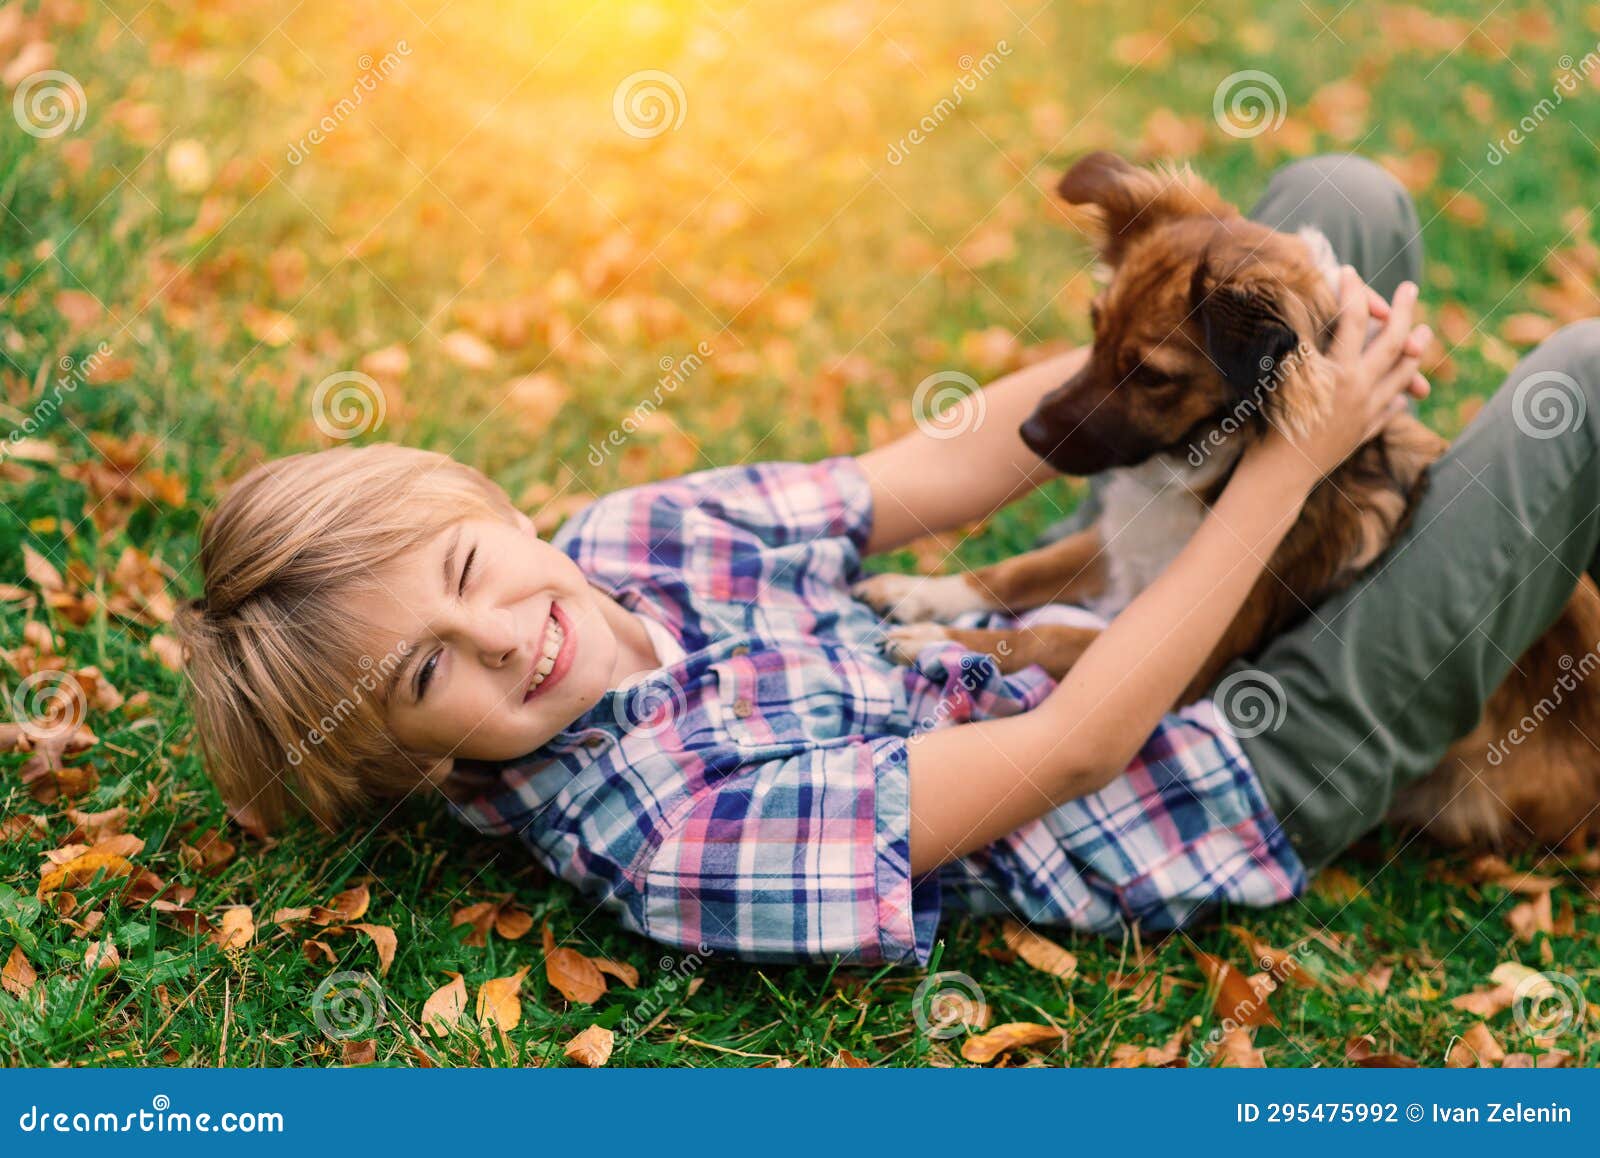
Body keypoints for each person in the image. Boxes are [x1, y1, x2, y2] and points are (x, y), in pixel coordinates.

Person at [173, 155, 1597, 965]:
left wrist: (1167, 346)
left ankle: (1358, 519)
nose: (501, 633)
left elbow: (927, 473)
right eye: (429, 674)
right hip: (1232, 760)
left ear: (490, 506)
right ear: (422, 763)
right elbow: (1078, 749)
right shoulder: (671, 834)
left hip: (1153, 609)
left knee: (1339, 202)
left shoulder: (626, 540)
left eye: (467, 570)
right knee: (1579, 384)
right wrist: (1288, 458)